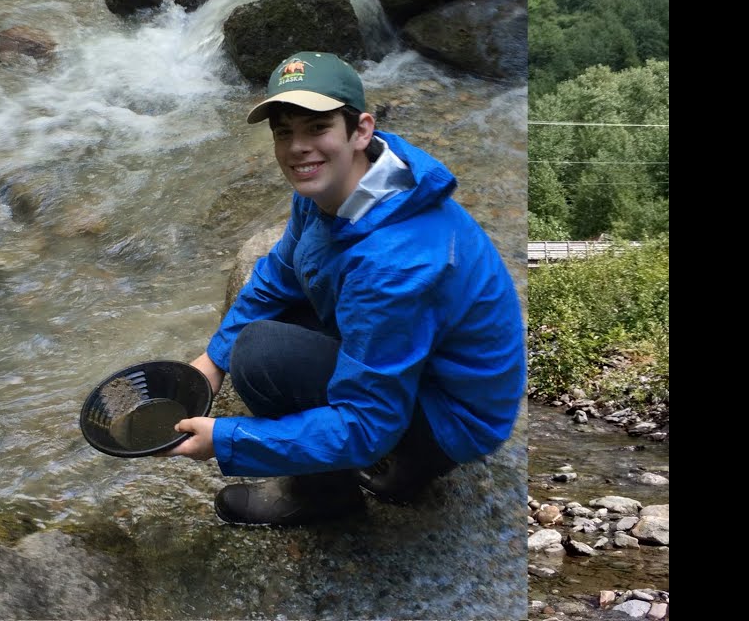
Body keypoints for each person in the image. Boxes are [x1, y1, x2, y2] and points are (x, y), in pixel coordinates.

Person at [163, 51, 525, 526]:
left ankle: (326, 495)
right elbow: (279, 275)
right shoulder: (350, 181)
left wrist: (227, 440)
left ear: (361, 130)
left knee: (260, 355)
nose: (297, 148)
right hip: (429, 369)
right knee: (255, 336)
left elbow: (369, 425)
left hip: (455, 417)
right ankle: (397, 462)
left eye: (317, 128)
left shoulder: (397, 264)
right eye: (284, 132)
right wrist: (212, 361)